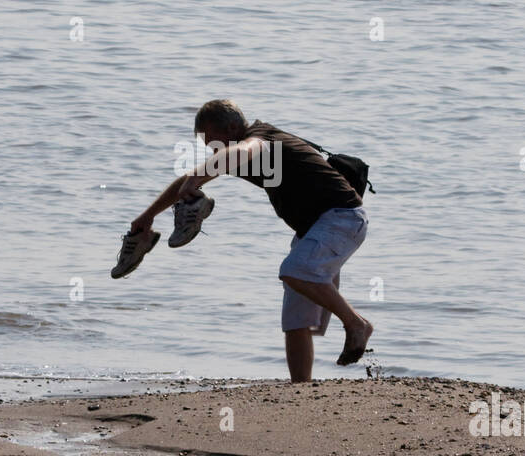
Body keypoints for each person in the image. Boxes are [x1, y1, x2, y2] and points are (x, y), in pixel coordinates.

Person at [111, 99, 373, 382]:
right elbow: (188, 178)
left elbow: (243, 150)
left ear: (234, 128)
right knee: (295, 320)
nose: (211, 151)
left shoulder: (259, 141)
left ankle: (356, 325)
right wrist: (148, 216)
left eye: (213, 143)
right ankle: (301, 390)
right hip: (316, 229)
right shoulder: (233, 152)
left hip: (342, 219)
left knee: (294, 271)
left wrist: (199, 177)